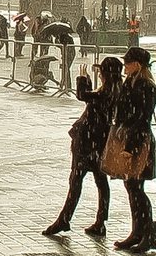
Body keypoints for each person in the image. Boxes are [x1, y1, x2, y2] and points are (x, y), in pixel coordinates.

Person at [43, 56, 121, 237]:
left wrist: (83, 79)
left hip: (88, 141)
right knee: (100, 182)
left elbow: (83, 96)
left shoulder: (106, 92)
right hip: (100, 141)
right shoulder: (116, 90)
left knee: (76, 180)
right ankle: (100, 221)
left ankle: (65, 218)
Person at [112, 46, 156, 253]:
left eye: (127, 64)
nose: (124, 67)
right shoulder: (130, 83)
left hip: (139, 141)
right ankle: (138, 232)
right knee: (131, 186)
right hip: (129, 138)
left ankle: (148, 233)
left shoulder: (145, 86)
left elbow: (142, 118)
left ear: (137, 65)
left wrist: (131, 146)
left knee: (136, 187)